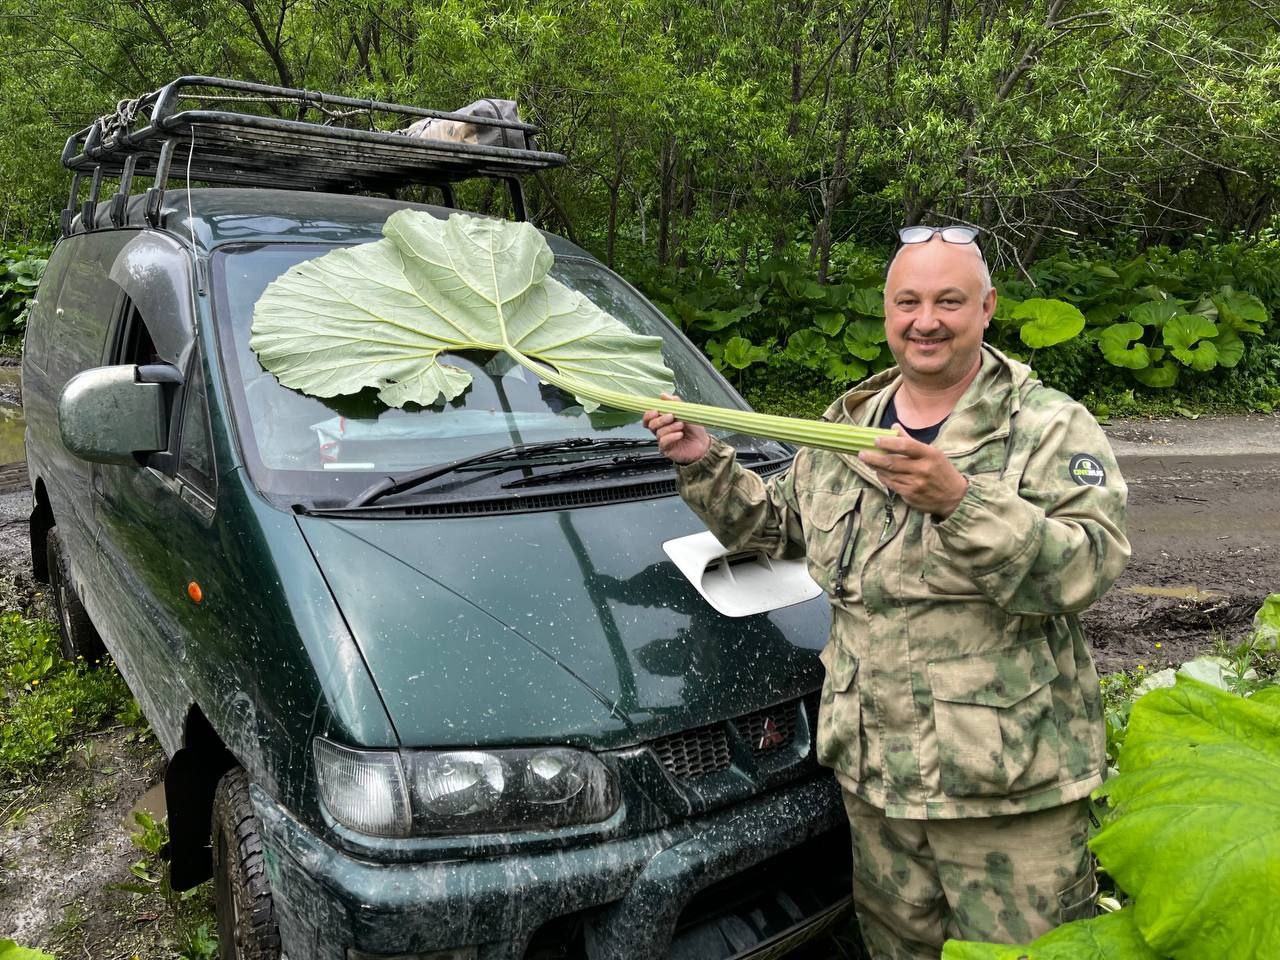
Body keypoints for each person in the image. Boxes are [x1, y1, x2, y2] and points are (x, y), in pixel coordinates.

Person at [642, 226, 1130, 959]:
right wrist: (702, 460)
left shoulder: (1047, 427)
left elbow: (1085, 568)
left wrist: (961, 500)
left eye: (948, 301)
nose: (925, 320)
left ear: (987, 308)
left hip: (1008, 795)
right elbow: (776, 527)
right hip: (880, 788)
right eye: (908, 301)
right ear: (886, 310)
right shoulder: (847, 428)